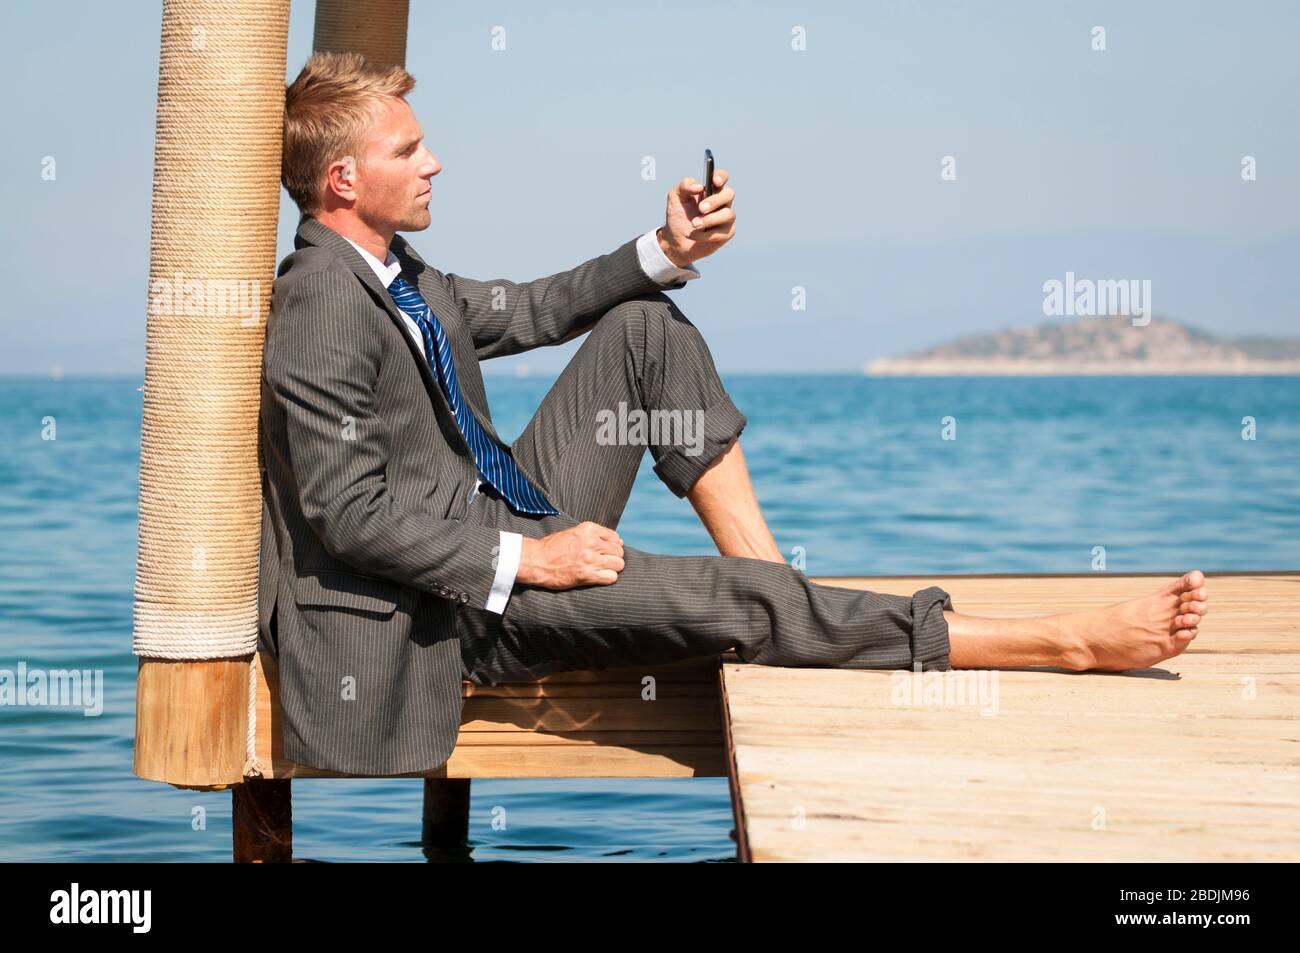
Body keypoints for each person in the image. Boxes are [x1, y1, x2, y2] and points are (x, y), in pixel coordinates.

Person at [257, 52, 1209, 775]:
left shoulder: (396, 273)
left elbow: (533, 308)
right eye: (407, 149)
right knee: (730, 600)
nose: (435, 160)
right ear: (343, 180)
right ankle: (1062, 641)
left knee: (642, 328)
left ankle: (781, 595)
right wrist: (530, 558)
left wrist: (664, 245)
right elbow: (349, 511)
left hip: (496, 523)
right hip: (456, 602)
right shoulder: (323, 301)